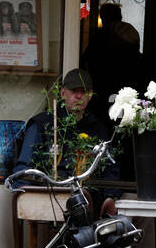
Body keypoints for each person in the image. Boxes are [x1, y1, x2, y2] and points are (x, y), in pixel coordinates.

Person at [11, 68, 120, 203]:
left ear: (90, 95)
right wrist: (25, 200)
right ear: (63, 93)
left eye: (84, 91)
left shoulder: (99, 129)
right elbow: (24, 168)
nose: (79, 96)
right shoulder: (42, 124)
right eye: (74, 91)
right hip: (50, 198)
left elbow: (110, 168)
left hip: (90, 199)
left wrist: (111, 197)